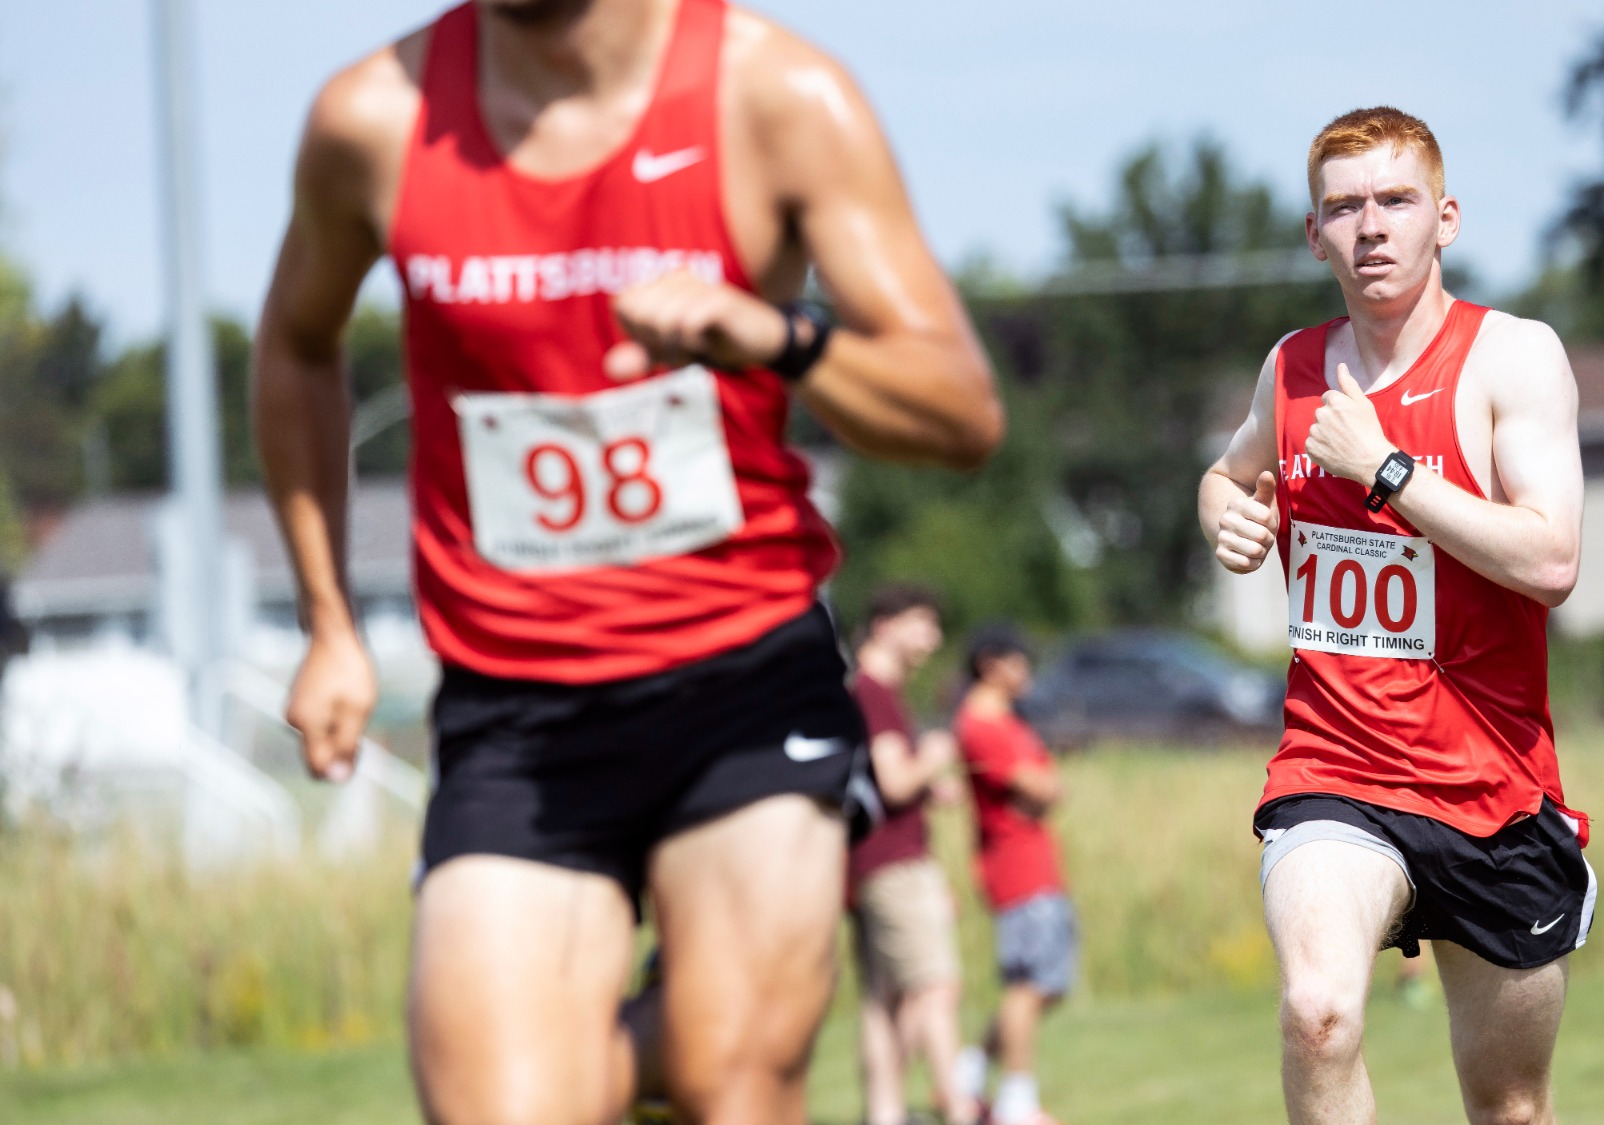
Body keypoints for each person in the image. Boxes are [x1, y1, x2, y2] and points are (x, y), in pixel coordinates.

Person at [251, 0, 1001, 1120]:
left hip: (743, 684)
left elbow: (958, 410)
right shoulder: (373, 117)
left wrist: (773, 333)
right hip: (515, 707)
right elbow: (297, 344)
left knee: (732, 1083)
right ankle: (642, 1052)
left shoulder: (776, 97)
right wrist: (327, 623)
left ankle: (683, 1045)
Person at [1198, 106, 1593, 1125]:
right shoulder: (1289, 369)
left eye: (1393, 201)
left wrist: (1381, 469)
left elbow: (1550, 559)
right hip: (1333, 770)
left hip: (1491, 788)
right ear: (1312, 233)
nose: (1369, 227)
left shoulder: (1512, 358)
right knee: (1317, 1012)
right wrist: (1217, 507)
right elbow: (1229, 464)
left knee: (1507, 1107)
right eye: (1342, 207)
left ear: (1442, 218)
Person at [845, 586, 979, 1125]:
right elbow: (896, 780)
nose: (934, 638)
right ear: (885, 625)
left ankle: (885, 1114)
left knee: (885, 1001)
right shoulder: (873, 691)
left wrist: (929, 788)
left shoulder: (868, 689)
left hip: (866, 862)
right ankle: (960, 1109)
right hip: (893, 864)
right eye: (922, 623)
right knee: (935, 987)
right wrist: (933, 758)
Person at [952, 626, 1071, 1125]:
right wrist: (1043, 785)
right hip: (1015, 868)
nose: (1026, 672)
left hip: (1034, 865)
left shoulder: (1006, 720)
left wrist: (1045, 786)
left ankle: (969, 1074)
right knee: (1026, 984)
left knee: (1048, 983)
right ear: (990, 664)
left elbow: (1046, 787)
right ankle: (1015, 1102)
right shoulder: (983, 724)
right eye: (1018, 661)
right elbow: (1039, 787)